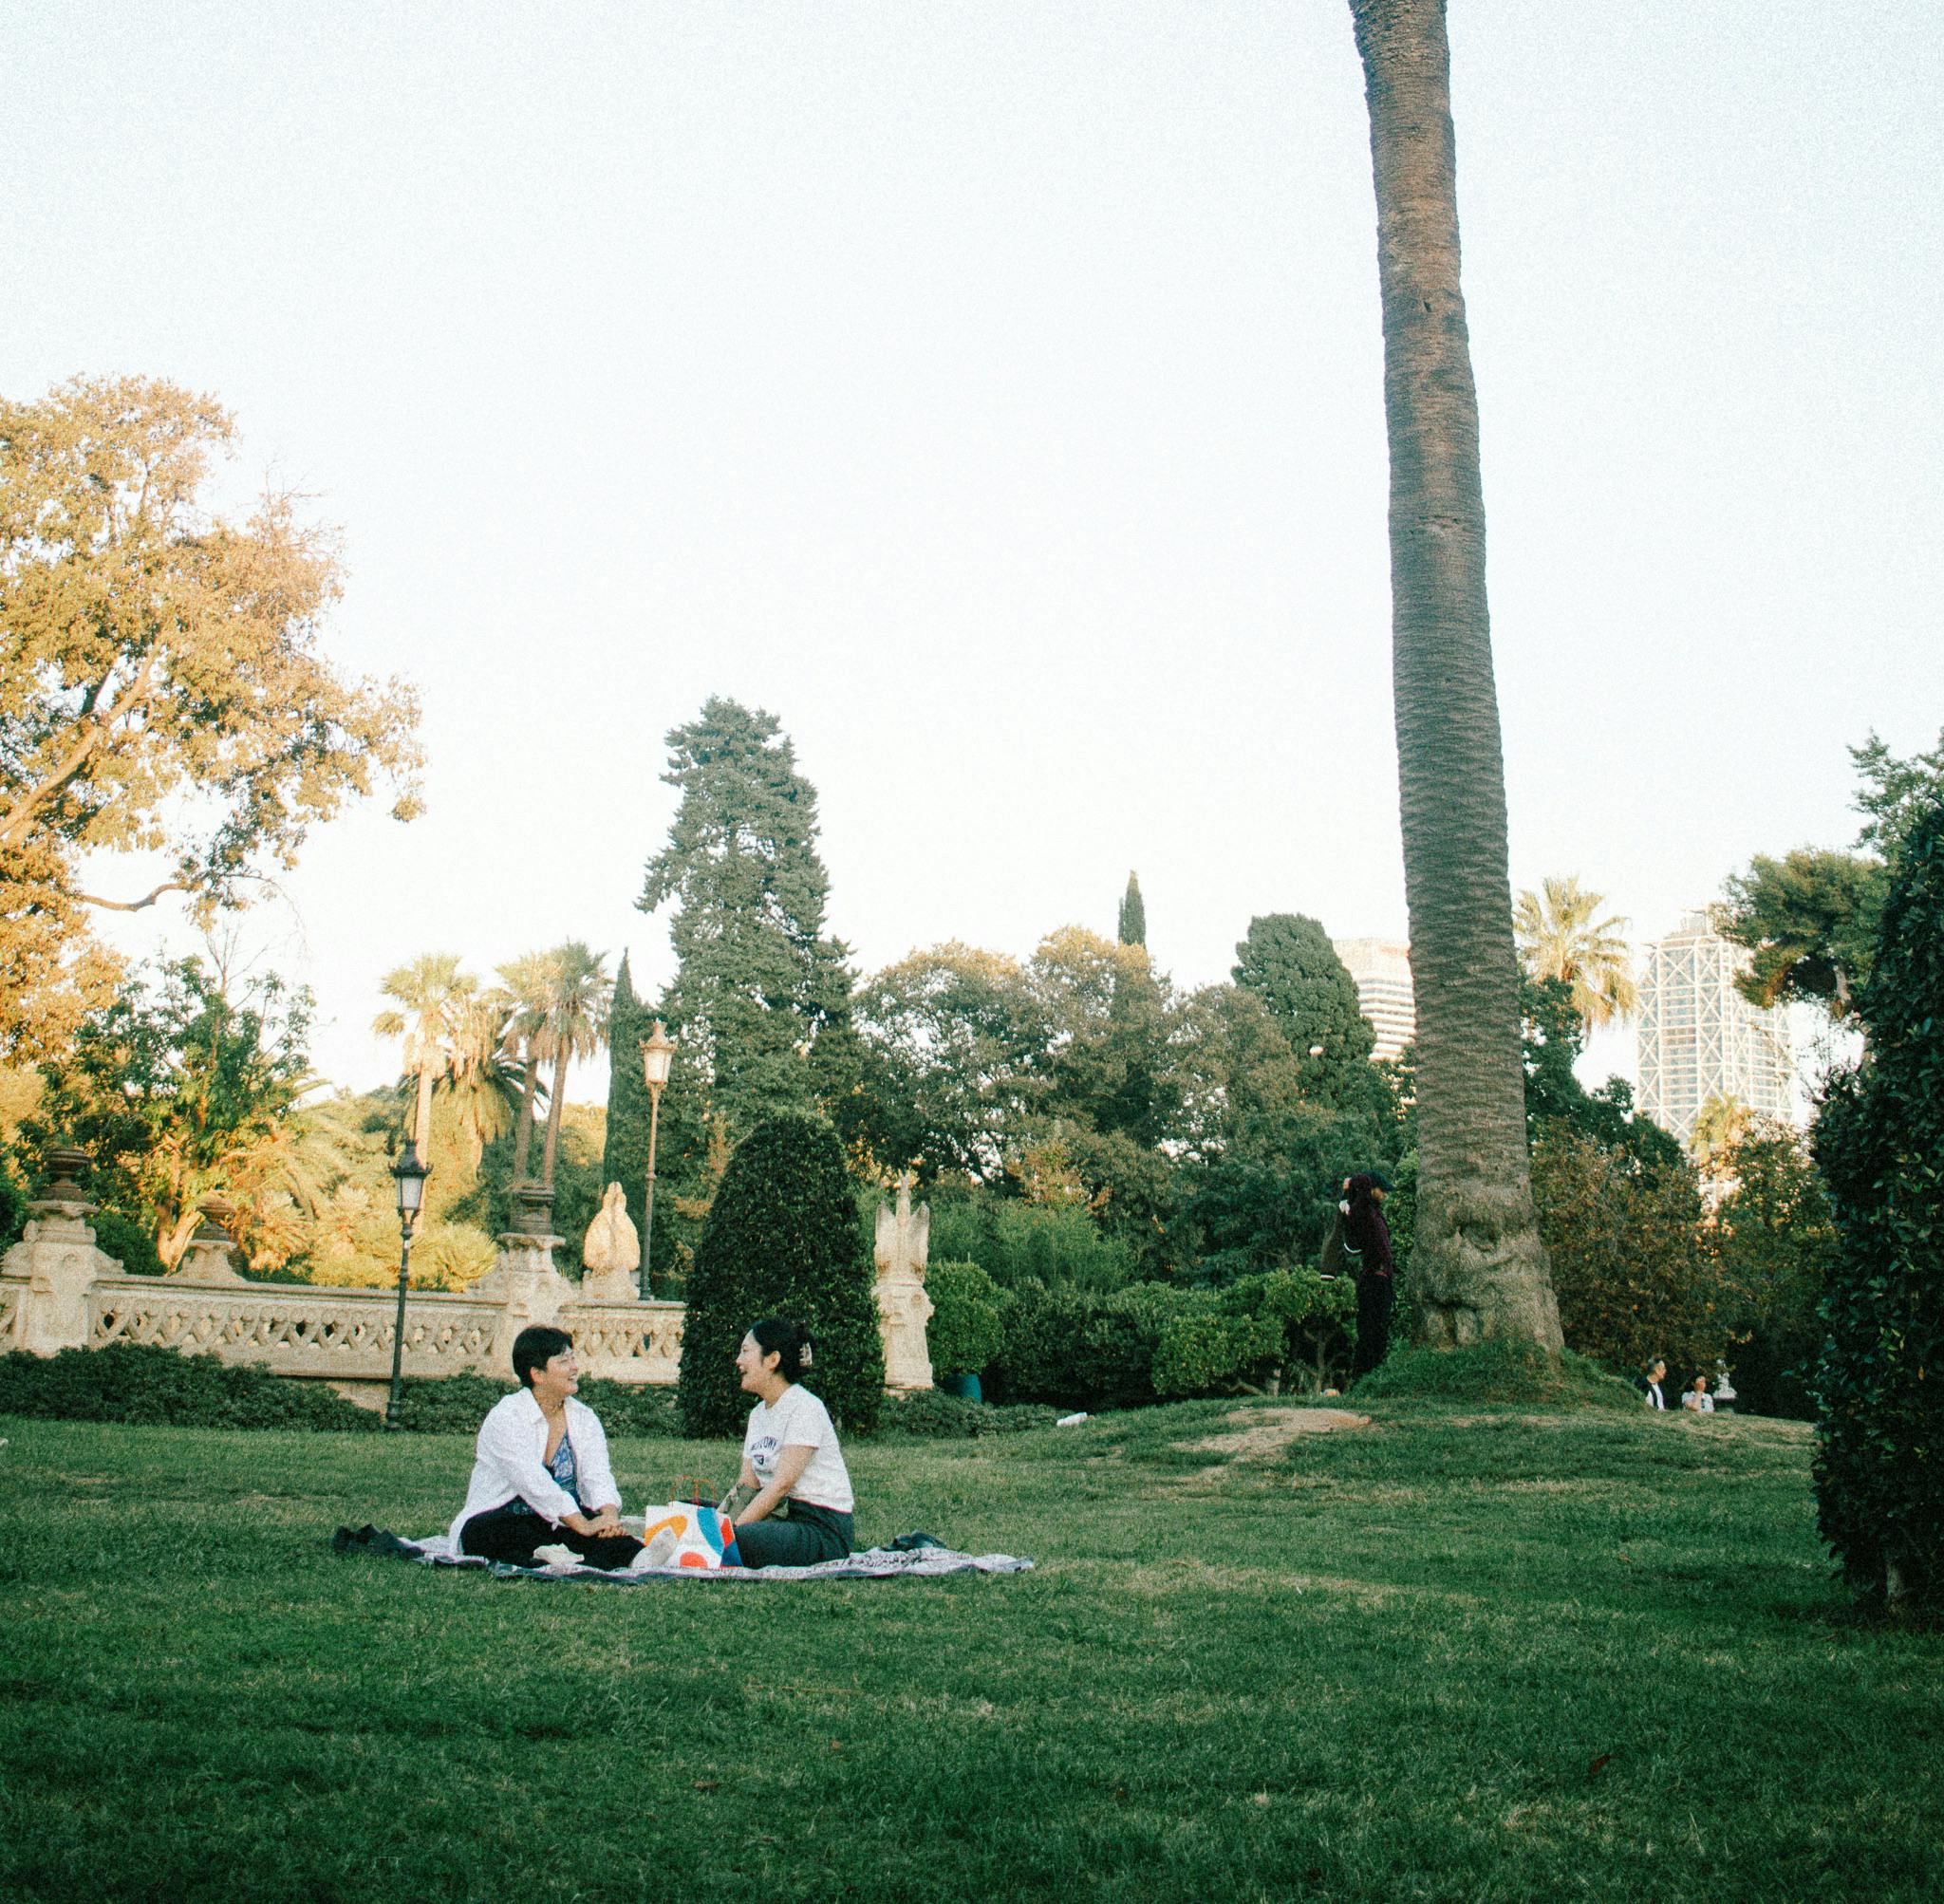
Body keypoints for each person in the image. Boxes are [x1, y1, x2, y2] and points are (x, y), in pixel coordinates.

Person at [448, 1325, 645, 1569]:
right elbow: (533, 1482)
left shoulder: (584, 1417)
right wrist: (582, 1525)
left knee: (607, 1537)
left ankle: (631, 1556)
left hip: (559, 1521)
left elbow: (598, 1476)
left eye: (573, 1359)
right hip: (503, 1517)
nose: (574, 1368)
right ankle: (557, 1557)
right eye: (564, 1362)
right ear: (538, 1375)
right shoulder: (507, 1416)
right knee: (499, 1532)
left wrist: (609, 1519)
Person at [726, 1317, 855, 1569]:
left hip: (821, 1529)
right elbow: (747, 1484)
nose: (738, 1361)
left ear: (772, 1360)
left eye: (745, 1351)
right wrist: (717, 1523)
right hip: (780, 1517)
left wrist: (729, 1533)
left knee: (740, 1540)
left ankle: (727, 1544)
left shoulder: (805, 1407)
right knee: (694, 1511)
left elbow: (780, 1486)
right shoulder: (758, 1414)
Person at [1344, 1172, 1394, 1383]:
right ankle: (1362, 1379)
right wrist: (1350, 1186)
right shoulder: (1361, 1210)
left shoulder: (1375, 1213)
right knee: (1368, 1334)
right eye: (1381, 1190)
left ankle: (1374, 1377)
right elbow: (1361, 1181)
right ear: (1371, 1189)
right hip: (1371, 1280)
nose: (1384, 1195)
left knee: (1379, 1333)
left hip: (1381, 1280)